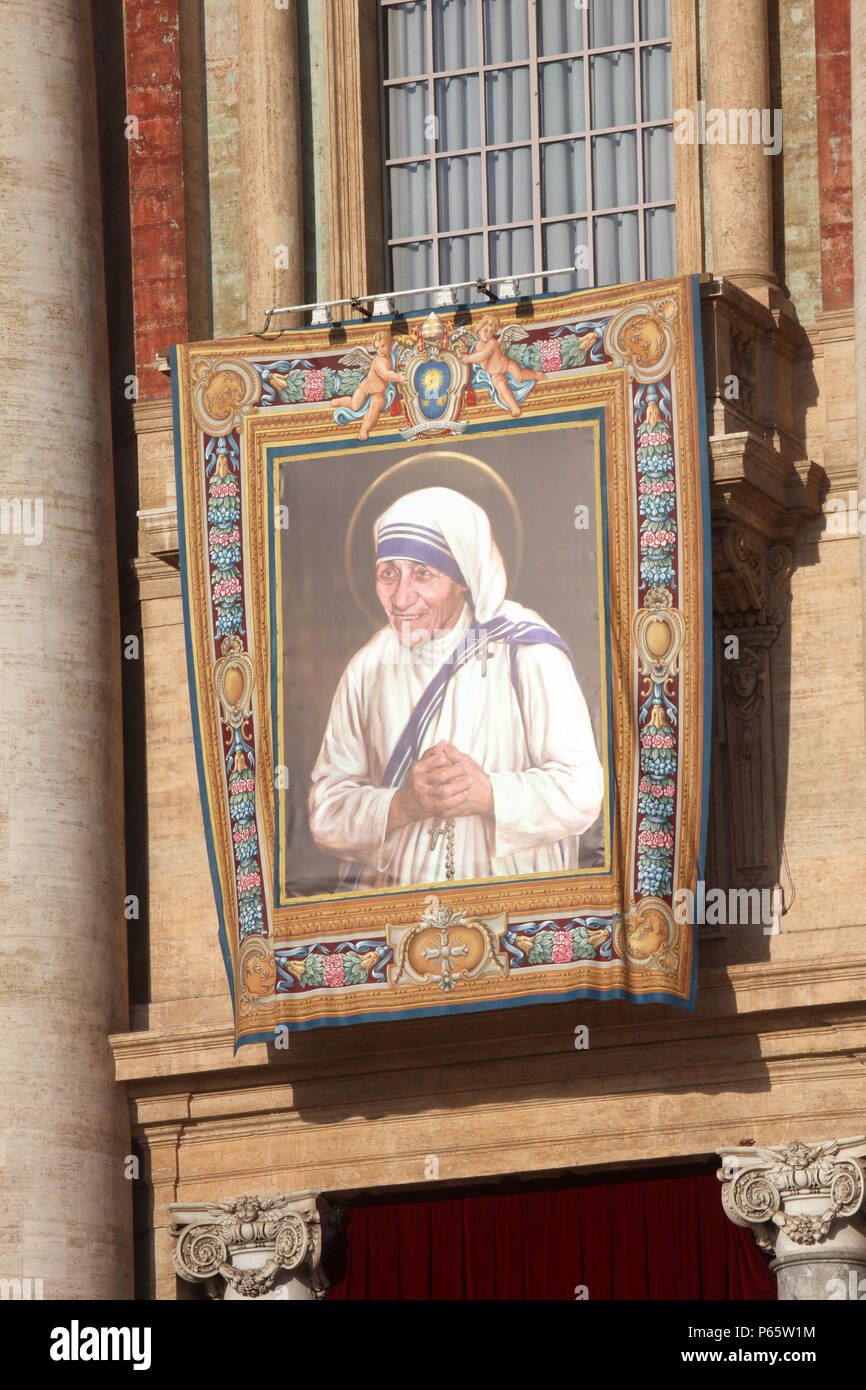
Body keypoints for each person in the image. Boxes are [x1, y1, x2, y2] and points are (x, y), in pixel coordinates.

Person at [309, 487, 604, 889]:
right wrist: (400, 805)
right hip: (401, 916)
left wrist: (490, 794)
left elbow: (584, 791)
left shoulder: (527, 651)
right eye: (388, 573)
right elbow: (325, 813)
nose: (400, 598)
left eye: (423, 574)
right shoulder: (367, 668)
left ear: (464, 578)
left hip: (516, 913)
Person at [459, 315, 545, 417]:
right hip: (494, 374)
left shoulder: (492, 343)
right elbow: (472, 355)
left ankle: (537, 375)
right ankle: (514, 407)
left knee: (520, 376)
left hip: (507, 365)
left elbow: (483, 356)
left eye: (491, 331)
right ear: (478, 330)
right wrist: (463, 346)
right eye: (486, 330)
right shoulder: (476, 345)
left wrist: (468, 359)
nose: (488, 334)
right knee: (501, 387)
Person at [332, 329, 408, 441]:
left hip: (381, 392)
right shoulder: (378, 361)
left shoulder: (393, 357)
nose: (380, 350)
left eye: (383, 346)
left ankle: (364, 429)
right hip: (365, 389)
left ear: (389, 344)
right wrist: (398, 377)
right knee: (355, 406)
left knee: (375, 405)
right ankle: (340, 401)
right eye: (377, 348)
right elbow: (386, 374)